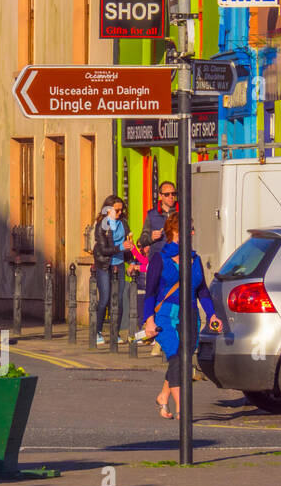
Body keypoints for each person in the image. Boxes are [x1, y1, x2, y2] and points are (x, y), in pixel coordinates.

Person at [142, 211, 221, 419]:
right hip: (166, 316)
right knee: (177, 358)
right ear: (176, 231)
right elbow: (150, 293)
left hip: (191, 315)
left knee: (183, 360)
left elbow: (202, 291)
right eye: (190, 229)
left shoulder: (195, 259)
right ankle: (181, 409)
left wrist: (212, 315)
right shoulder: (160, 258)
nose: (193, 232)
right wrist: (148, 320)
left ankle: (163, 396)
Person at [92, 195, 135, 346]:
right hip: (104, 264)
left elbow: (129, 244)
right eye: (116, 211)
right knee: (105, 299)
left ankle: (115, 333)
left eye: (121, 211)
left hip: (119, 264)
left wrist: (131, 262)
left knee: (118, 300)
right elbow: (103, 249)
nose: (119, 213)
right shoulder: (101, 225)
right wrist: (120, 247)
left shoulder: (123, 223)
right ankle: (96, 331)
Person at [137, 180, 178, 265]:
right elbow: (142, 240)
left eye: (173, 194)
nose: (171, 197)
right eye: (167, 194)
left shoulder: (181, 212)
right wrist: (151, 237)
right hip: (158, 260)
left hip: (176, 259)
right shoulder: (152, 214)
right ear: (160, 196)